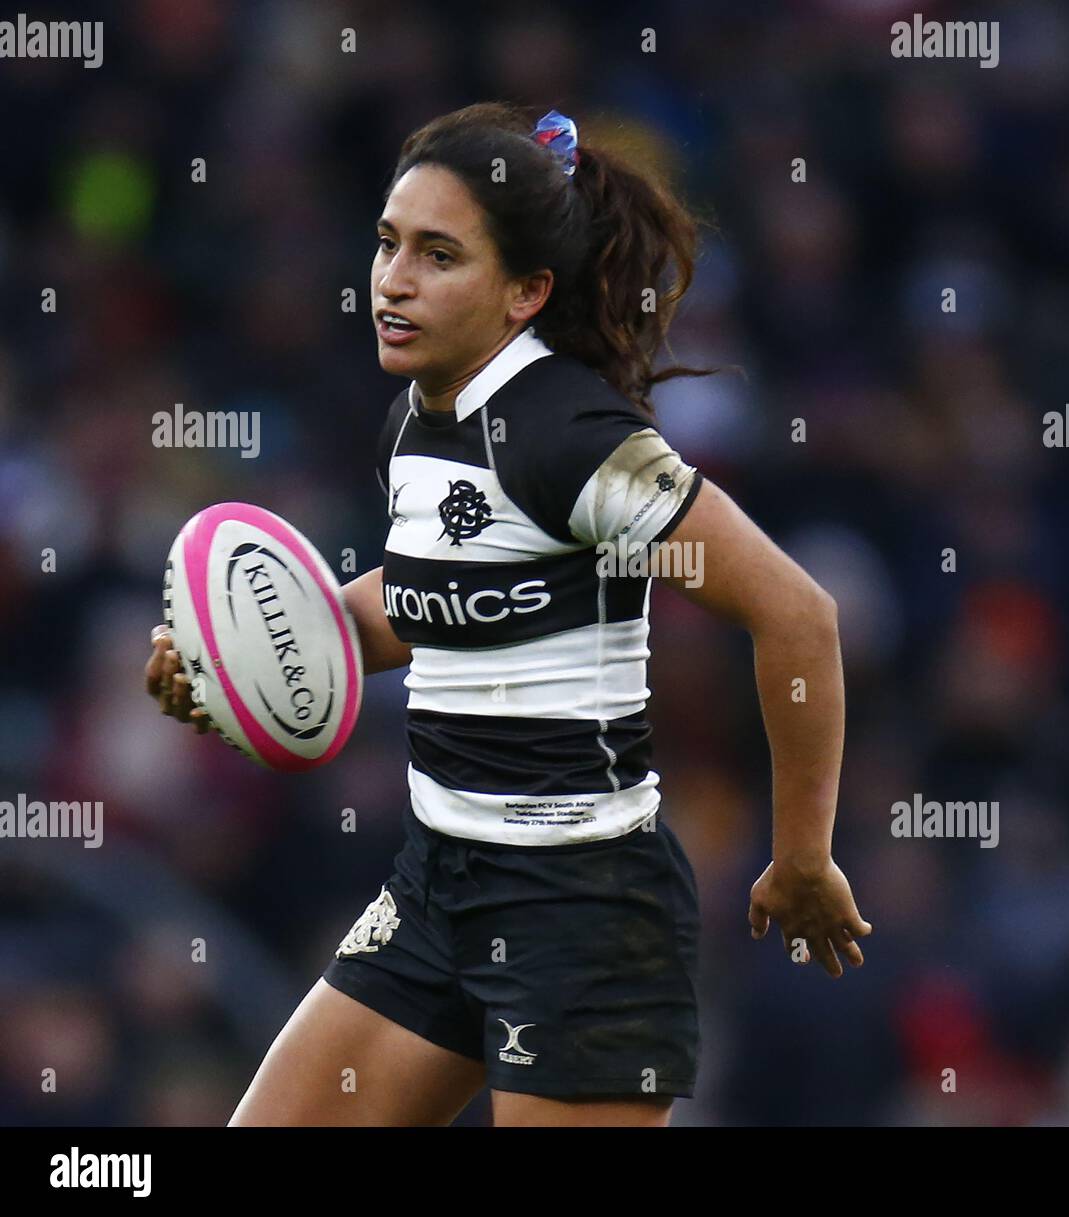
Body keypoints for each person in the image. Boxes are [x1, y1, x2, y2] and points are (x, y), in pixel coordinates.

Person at [145, 103, 870, 1127]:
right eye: (389, 244)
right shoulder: (423, 412)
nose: (393, 279)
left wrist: (803, 853)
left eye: (439, 255)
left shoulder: (574, 438)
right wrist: (232, 661)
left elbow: (796, 613)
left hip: (582, 911)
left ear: (526, 292)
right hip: (439, 882)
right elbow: (425, 599)